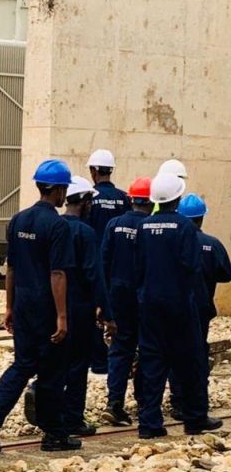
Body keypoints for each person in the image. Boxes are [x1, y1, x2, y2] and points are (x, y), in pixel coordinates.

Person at [0, 159, 79, 456]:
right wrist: (62, 317)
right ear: (58, 190)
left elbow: (11, 268)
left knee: (22, 364)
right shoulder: (58, 226)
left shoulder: (18, 220)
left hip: (23, 304)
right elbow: (57, 273)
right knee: (52, 371)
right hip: (46, 307)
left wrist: (9, 307)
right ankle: (54, 434)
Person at [135, 173, 222, 439]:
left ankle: (149, 423)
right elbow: (192, 267)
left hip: (150, 304)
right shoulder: (185, 227)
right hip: (180, 305)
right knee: (191, 362)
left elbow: (138, 266)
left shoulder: (144, 227)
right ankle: (195, 418)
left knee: (152, 363)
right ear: (177, 198)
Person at [168, 193, 231, 418]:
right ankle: (196, 399)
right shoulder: (212, 244)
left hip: (175, 307)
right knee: (197, 352)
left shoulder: (172, 243)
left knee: (175, 351)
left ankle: (178, 400)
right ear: (201, 218)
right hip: (201, 308)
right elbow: (226, 274)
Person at [60, 176, 114, 436]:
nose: (92, 206)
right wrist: (107, 311)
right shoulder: (85, 232)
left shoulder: (55, 226)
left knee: (57, 362)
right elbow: (94, 274)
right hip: (79, 307)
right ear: (83, 201)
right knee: (78, 365)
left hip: (53, 306)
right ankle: (73, 419)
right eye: (90, 201)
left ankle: (52, 413)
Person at [99, 177, 153, 426]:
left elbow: (104, 262)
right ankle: (145, 402)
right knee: (147, 349)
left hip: (118, 296)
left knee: (120, 349)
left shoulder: (115, 224)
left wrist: (103, 301)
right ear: (151, 201)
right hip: (144, 297)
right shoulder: (151, 227)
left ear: (131, 199)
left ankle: (114, 403)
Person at [86, 149, 131, 374]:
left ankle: (98, 361)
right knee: (118, 311)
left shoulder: (89, 198)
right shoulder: (124, 198)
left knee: (94, 309)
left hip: (93, 264)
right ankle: (119, 357)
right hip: (120, 267)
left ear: (93, 171)